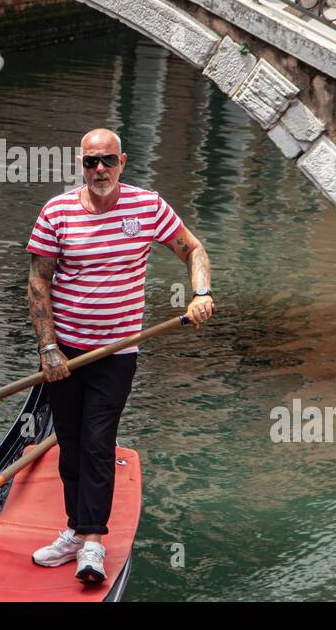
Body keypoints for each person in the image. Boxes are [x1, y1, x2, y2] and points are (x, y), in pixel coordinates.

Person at [25, 128, 213, 583]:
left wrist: (201, 292)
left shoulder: (147, 208)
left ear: (122, 162)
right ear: (81, 164)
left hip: (116, 351)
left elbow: (193, 249)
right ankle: (74, 530)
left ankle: (92, 543)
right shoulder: (57, 211)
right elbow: (38, 283)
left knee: (97, 441)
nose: (100, 170)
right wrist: (48, 347)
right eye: (91, 162)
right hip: (65, 351)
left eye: (107, 160)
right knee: (69, 444)